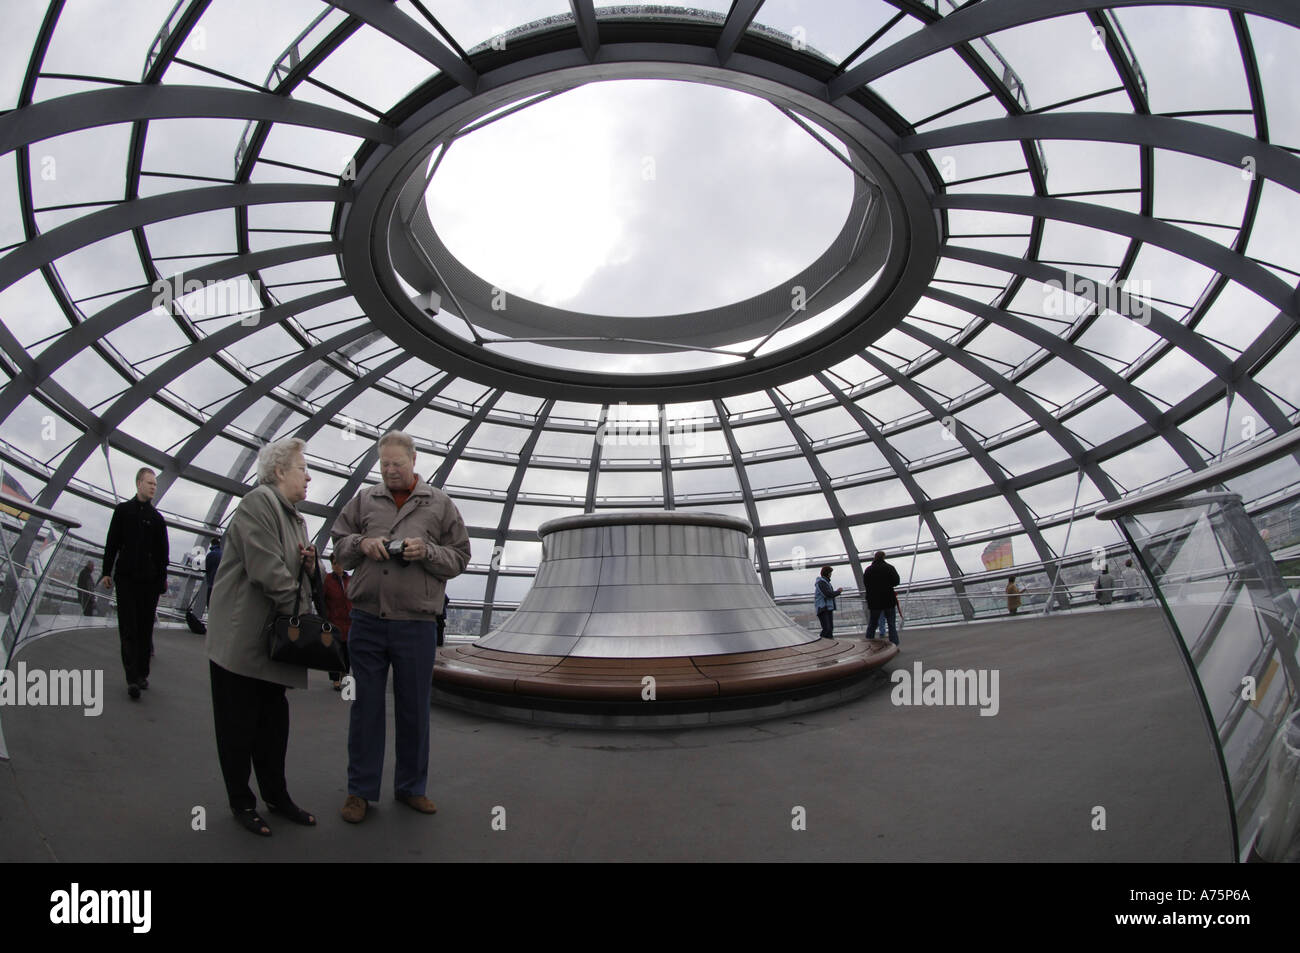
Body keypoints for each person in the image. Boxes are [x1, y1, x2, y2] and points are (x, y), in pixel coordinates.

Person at [331, 431, 470, 824]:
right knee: (365, 708)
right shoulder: (363, 500)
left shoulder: (440, 504)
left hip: (416, 623)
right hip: (367, 620)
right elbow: (338, 545)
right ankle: (360, 791)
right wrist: (361, 543)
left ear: (414, 460)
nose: (390, 471)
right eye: (384, 464)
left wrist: (426, 551)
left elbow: (460, 558)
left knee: (414, 710)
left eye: (397, 464)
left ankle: (412, 787)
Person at [206, 437, 319, 837]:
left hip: (271, 641)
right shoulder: (258, 502)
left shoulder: (296, 519)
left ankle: (276, 795)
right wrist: (303, 618)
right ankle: (242, 802)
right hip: (242, 641)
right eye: (302, 467)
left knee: (272, 724)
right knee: (237, 725)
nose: (309, 476)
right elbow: (265, 569)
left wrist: (310, 566)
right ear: (278, 471)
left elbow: (287, 572)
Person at [100, 467, 168, 699]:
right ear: (138, 483)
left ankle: (141, 674)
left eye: (155, 484)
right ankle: (133, 677)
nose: (153, 487)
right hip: (127, 578)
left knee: (145, 627)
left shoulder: (158, 520)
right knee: (129, 627)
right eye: (149, 483)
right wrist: (106, 571)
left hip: (148, 582)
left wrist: (161, 581)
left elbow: (162, 555)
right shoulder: (123, 511)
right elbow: (112, 542)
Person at [322, 558, 353, 691]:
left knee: (347, 652)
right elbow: (322, 599)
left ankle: (344, 673)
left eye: (340, 563)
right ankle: (335, 679)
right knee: (335, 651)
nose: (337, 566)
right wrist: (325, 617)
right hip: (334, 621)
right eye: (335, 563)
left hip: (349, 621)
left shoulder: (350, 579)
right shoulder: (327, 580)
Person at [863, 550, 901, 646]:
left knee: (873, 623)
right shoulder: (889, 568)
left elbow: (866, 584)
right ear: (883, 557)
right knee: (891, 623)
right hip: (888, 599)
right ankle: (894, 644)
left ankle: (868, 643)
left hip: (874, 601)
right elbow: (896, 581)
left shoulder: (868, 570)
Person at [814, 566, 841, 639]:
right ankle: (821, 642)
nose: (831, 574)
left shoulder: (825, 582)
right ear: (827, 573)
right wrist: (838, 592)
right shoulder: (821, 582)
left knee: (829, 628)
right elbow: (827, 594)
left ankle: (829, 642)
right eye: (830, 573)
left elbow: (828, 594)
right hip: (823, 607)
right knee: (827, 628)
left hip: (827, 607)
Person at [204, 537, 223, 611]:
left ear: (212, 544)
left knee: (210, 606)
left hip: (212, 582)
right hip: (220, 583)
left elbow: (206, 568)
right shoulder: (222, 554)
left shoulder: (211, 554)